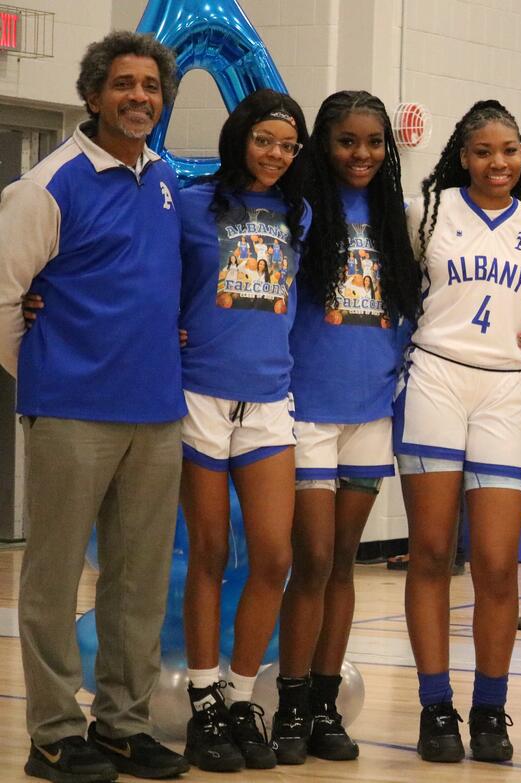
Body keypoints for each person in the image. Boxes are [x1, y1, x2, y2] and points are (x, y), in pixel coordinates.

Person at [0, 30, 191, 783]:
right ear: (93, 94)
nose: (138, 97)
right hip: (72, 413)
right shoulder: (45, 185)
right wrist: (50, 365)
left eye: (150, 86)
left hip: (156, 413)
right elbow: (4, 299)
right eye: (123, 84)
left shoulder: (166, 179)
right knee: (51, 582)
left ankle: (121, 725)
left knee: (138, 582)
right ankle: (51, 733)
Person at [397, 99, 521, 764]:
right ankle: (436, 707)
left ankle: (490, 707)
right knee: (431, 553)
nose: (498, 163)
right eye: (485, 151)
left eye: (510, 151)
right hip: (435, 380)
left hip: (505, 390)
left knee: (495, 561)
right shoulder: (424, 212)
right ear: (463, 155)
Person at [272, 90, 420, 764]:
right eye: (346, 141)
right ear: (322, 145)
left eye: (373, 142)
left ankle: (326, 703)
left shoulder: (396, 217)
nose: (361, 154)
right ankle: (291, 701)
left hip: (370, 414)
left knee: (342, 567)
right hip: (306, 412)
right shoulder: (299, 211)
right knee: (312, 560)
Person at [177, 88, 311, 773]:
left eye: (289, 146)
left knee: (273, 557)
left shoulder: (300, 211)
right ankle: (201, 697)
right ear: (240, 137)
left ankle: (236, 693)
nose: (277, 155)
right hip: (199, 393)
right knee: (208, 551)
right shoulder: (192, 203)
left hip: (269, 401)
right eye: (267, 141)